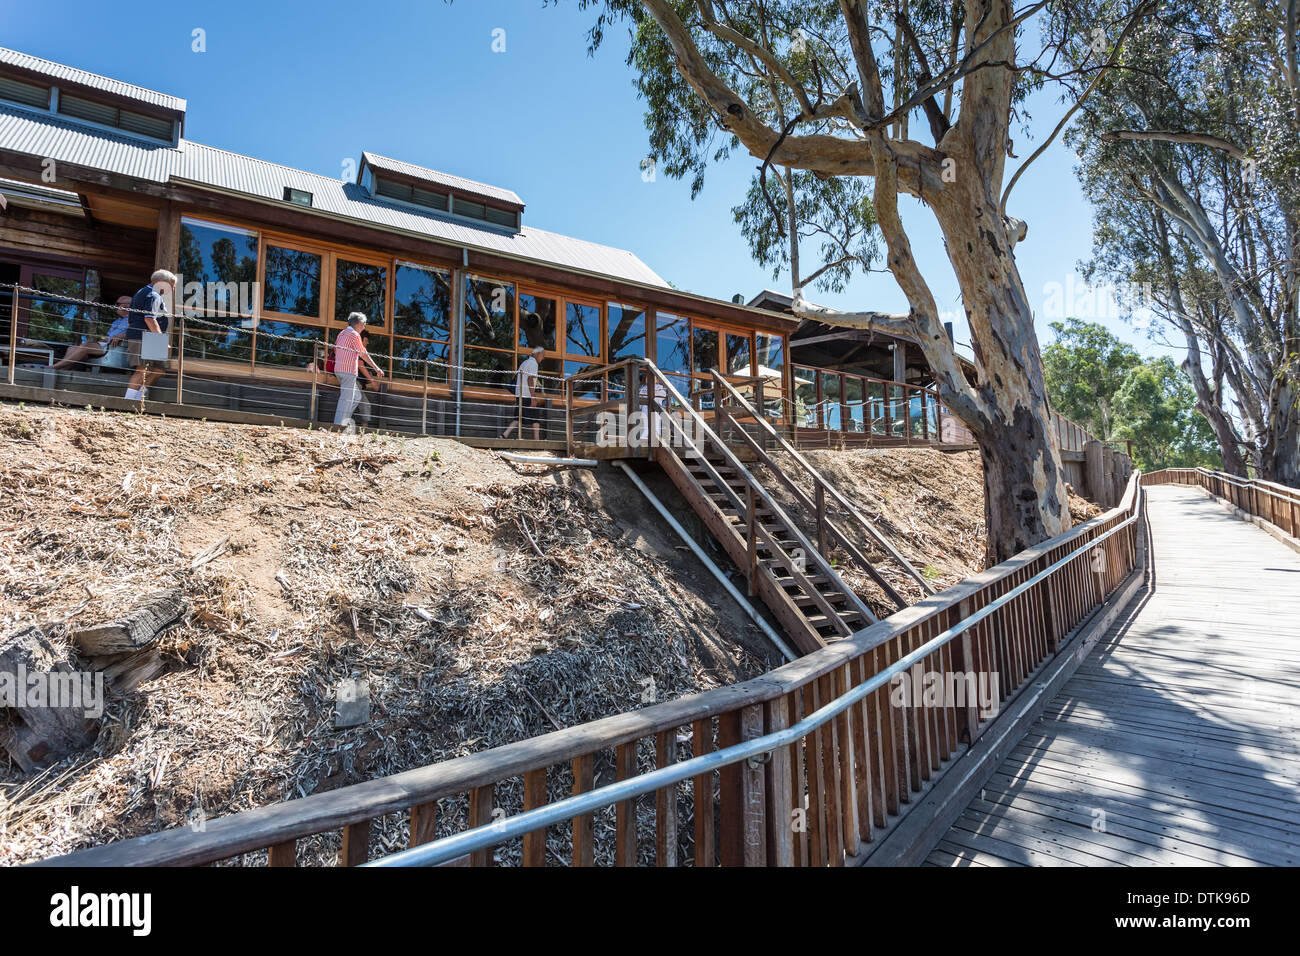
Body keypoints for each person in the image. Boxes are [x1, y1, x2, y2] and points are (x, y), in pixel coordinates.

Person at [124, 270, 176, 400]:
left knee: (158, 370)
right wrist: (161, 341)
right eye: (172, 284)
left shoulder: (144, 292)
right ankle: (127, 402)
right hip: (144, 336)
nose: (173, 288)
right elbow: (149, 319)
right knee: (142, 370)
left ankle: (137, 399)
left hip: (148, 337)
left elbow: (130, 321)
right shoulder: (153, 294)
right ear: (161, 282)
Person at [333, 312, 384, 430]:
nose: (364, 327)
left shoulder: (342, 333)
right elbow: (363, 354)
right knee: (345, 400)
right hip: (348, 372)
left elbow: (335, 350)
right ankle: (338, 427)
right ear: (359, 323)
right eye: (364, 324)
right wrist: (376, 368)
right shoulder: (354, 334)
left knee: (355, 397)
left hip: (339, 370)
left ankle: (343, 422)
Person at [52, 296, 130, 370]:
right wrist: (102, 340)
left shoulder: (132, 320)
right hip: (105, 344)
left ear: (127, 306)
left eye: (117, 304)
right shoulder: (116, 321)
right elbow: (107, 336)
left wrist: (122, 335)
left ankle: (55, 367)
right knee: (71, 348)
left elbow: (138, 333)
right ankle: (62, 370)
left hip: (115, 347)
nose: (115, 306)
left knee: (85, 346)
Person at [502, 345, 545, 440]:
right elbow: (530, 379)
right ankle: (536, 440)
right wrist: (533, 397)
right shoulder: (534, 364)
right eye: (542, 355)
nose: (543, 358)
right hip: (527, 395)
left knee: (519, 417)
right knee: (535, 416)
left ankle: (504, 435)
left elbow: (517, 377)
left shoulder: (525, 362)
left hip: (519, 394)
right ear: (537, 354)